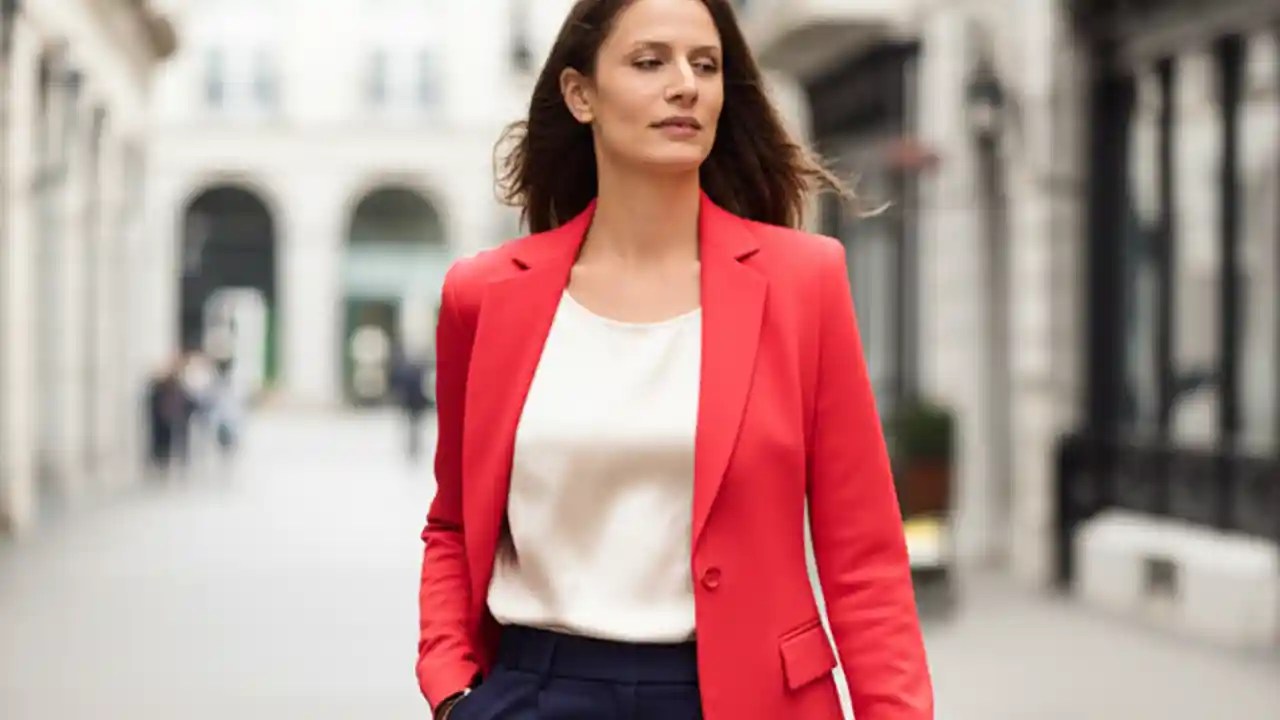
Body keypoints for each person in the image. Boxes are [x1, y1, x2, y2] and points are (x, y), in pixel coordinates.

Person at [416, 1, 933, 718]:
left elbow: (865, 558)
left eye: (706, 64)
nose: (685, 84)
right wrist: (450, 687)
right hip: (538, 690)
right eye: (649, 61)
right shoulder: (486, 297)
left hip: (747, 697)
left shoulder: (801, 283)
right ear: (580, 94)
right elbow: (453, 525)